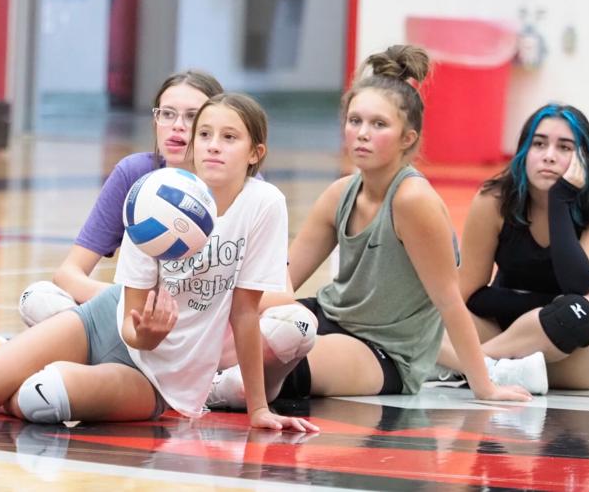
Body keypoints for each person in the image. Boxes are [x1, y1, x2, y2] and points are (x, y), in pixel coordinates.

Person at [0, 93, 318, 433]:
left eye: (228, 137)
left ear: (256, 152)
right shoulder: (155, 197)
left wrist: (258, 407)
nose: (212, 145)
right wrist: (146, 330)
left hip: (159, 378)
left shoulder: (264, 205)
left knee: (42, 398)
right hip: (107, 324)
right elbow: (129, 318)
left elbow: (246, 313)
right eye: (205, 134)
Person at [207, 45, 535, 409]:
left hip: (383, 351)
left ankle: (222, 382)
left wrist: (484, 386)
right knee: (231, 332)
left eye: (378, 124)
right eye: (355, 121)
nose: (362, 133)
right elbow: (280, 280)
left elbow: (449, 302)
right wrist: (219, 310)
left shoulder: (412, 200)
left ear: (407, 139)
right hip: (326, 317)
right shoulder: (340, 193)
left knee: (255, 375)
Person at [434, 103, 589, 391]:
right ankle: (491, 368)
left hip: (573, 352)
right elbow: (468, 295)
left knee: (582, 310)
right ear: (524, 153)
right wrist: (544, 302)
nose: (549, 156)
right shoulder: (494, 200)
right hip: (506, 333)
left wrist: (561, 199)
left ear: (584, 160)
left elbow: (576, 283)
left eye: (565, 148)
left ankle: (470, 366)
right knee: (424, 315)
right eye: (539, 144)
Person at [18, 70, 224, 326]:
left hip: (208, 322)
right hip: (135, 320)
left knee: (284, 325)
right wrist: (133, 300)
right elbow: (68, 274)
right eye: (167, 114)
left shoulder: (241, 184)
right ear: (155, 121)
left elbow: (265, 290)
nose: (177, 125)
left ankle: (70, 355)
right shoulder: (134, 174)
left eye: (192, 116)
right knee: (38, 297)